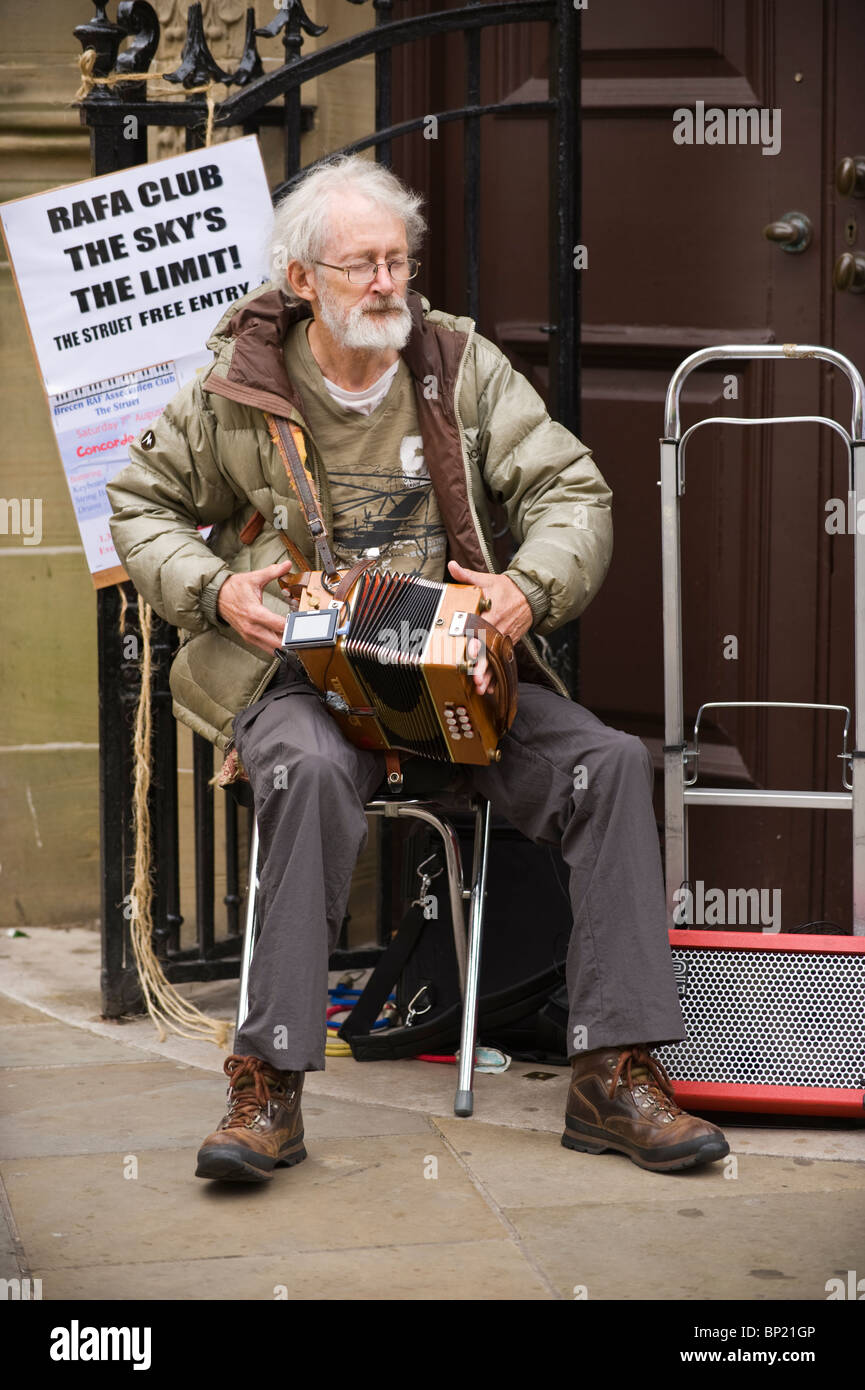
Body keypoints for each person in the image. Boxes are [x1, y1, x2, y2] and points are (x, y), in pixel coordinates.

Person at [107, 154, 729, 1183]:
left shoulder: (456, 367)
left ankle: (611, 1071)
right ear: (302, 279)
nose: (389, 284)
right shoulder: (241, 385)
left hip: (460, 682)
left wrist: (524, 589)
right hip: (302, 683)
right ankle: (268, 1086)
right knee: (302, 772)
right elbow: (142, 503)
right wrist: (216, 590)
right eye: (362, 266)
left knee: (608, 764)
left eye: (400, 260)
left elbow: (574, 493)